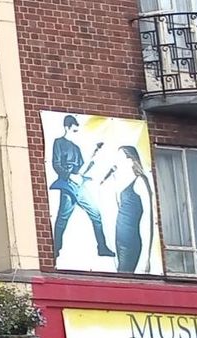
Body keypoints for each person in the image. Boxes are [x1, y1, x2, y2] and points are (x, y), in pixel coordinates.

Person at [51, 115, 115, 260]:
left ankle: (102, 247)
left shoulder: (76, 148)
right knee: (63, 217)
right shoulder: (59, 142)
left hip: (79, 184)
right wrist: (69, 175)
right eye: (73, 130)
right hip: (68, 184)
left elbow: (82, 168)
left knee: (96, 213)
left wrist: (92, 160)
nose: (75, 133)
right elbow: (56, 164)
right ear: (66, 128)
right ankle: (55, 249)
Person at [106, 146, 152, 274]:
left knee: (124, 276)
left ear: (130, 160)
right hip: (119, 239)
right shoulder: (120, 182)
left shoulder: (140, 181)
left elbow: (148, 216)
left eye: (120, 157)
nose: (117, 161)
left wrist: (146, 256)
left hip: (131, 242)